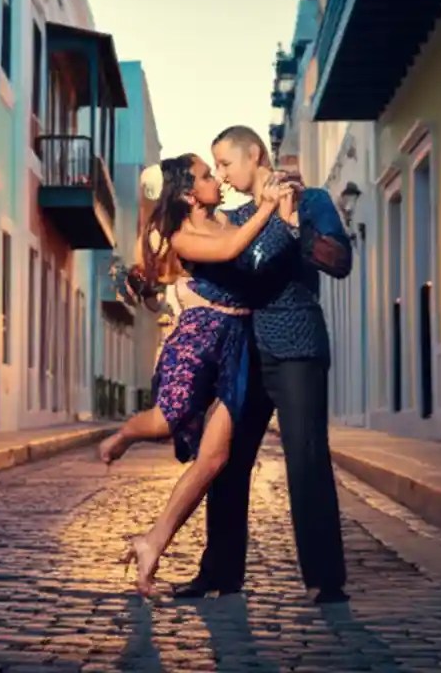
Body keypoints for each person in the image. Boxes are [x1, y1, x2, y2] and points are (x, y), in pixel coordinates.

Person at [95, 153, 292, 596]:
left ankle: (153, 543)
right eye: (206, 175)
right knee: (167, 420)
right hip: (197, 341)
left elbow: (247, 246)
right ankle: (125, 434)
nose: (215, 180)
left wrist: (277, 206)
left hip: (239, 345)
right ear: (187, 191)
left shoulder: (227, 220)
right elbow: (228, 251)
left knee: (215, 460)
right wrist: (265, 206)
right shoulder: (182, 235)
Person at [171, 125, 352, 605]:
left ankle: (326, 579)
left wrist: (298, 227)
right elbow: (231, 265)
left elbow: (339, 260)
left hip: (297, 345)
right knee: (226, 460)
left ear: (254, 155)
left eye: (227, 164)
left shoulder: (311, 199)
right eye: (217, 168)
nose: (223, 176)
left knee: (307, 458)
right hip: (246, 351)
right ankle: (220, 573)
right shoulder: (237, 217)